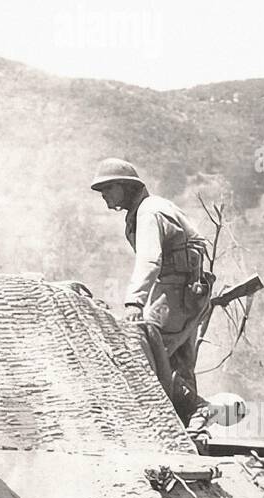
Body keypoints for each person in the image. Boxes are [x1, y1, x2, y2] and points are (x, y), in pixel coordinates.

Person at [91, 158, 214, 440]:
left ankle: (197, 409)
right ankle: (188, 428)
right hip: (187, 293)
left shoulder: (149, 213)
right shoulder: (153, 208)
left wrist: (134, 301)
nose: (105, 198)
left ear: (124, 186)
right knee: (178, 361)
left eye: (108, 190)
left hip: (176, 292)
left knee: (143, 354)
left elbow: (150, 260)